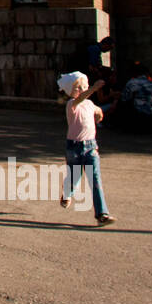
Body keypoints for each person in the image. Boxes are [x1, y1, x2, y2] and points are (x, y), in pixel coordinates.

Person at [57, 72, 115, 226]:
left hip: (90, 147)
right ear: (71, 91)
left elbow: (97, 110)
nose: (82, 89)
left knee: (95, 179)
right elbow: (80, 99)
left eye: (84, 86)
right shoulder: (72, 104)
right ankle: (67, 194)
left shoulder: (89, 104)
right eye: (78, 88)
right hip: (74, 147)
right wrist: (95, 89)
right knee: (74, 178)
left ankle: (102, 214)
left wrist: (99, 114)